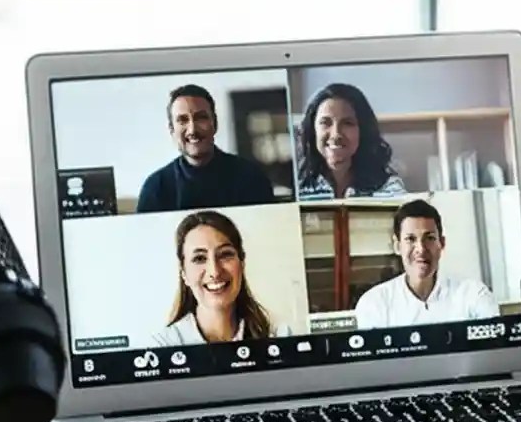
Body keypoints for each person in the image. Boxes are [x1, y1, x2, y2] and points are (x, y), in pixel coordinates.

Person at [353, 199, 500, 329]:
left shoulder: (473, 294)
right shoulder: (374, 303)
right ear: (397, 246)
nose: (421, 249)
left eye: (429, 238)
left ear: (441, 243)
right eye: (410, 239)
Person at [153, 210, 289, 346]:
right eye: (199, 258)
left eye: (225, 255)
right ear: (184, 274)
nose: (215, 272)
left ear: (242, 263)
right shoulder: (161, 346)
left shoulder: (279, 337)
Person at [136, 84, 275, 213]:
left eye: (200, 118)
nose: (192, 130)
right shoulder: (156, 188)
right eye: (182, 120)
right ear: (172, 130)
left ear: (214, 123)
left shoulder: (251, 178)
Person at [295, 82, 406, 200]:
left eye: (347, 123)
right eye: (325, 123)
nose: (336, 134)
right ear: (313, 129)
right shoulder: (297, 190)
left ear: (363, 130)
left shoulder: (390, 189)